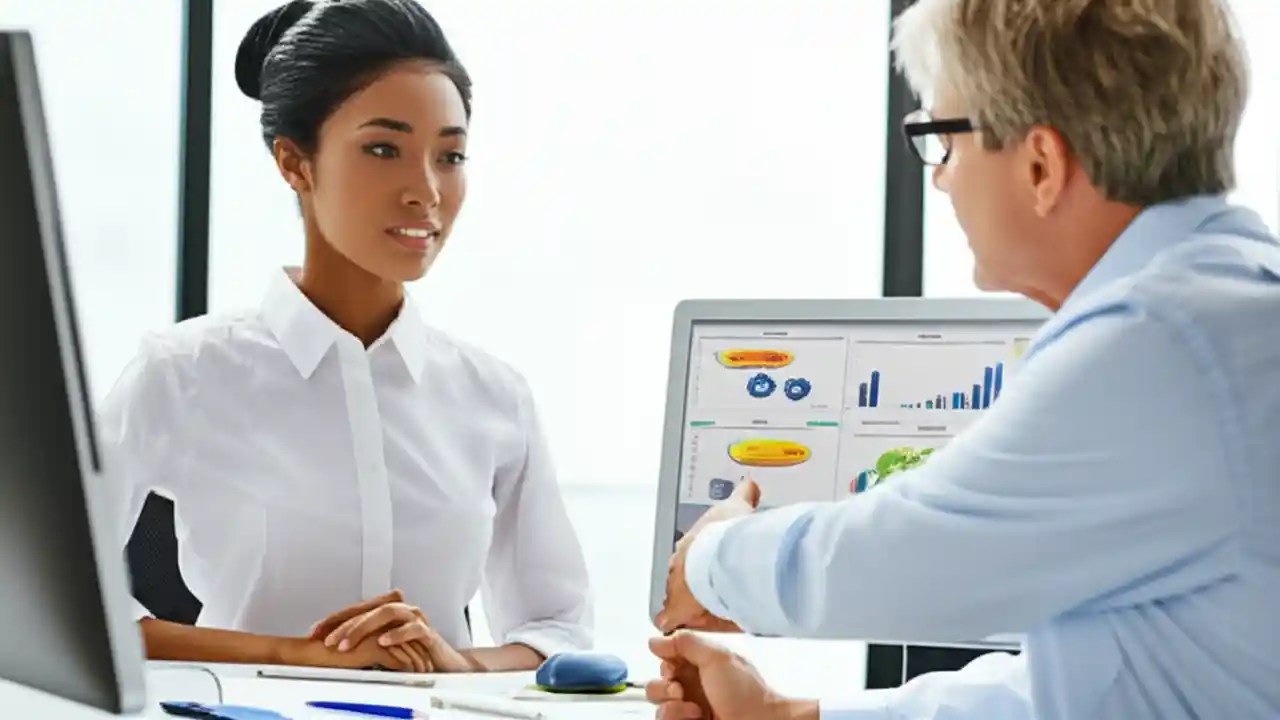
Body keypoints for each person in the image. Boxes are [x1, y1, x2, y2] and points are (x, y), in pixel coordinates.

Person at [649, 0, 1279, 717]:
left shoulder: (1159, 341)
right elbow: (1099, 680)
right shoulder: (1217, 313)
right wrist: (791, 715)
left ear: (1041, 165)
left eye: (945, 142)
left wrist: (714, 558)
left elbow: (911, 556)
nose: (940, 179)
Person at [101, 0, 591, 673]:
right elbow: (54, 602)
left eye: (449, 156)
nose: (426, 191)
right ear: (295, 163)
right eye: (384, 149)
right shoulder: (183, 371)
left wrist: (459, 664)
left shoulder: (494, 397)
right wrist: (292, 654)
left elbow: (559, 630)